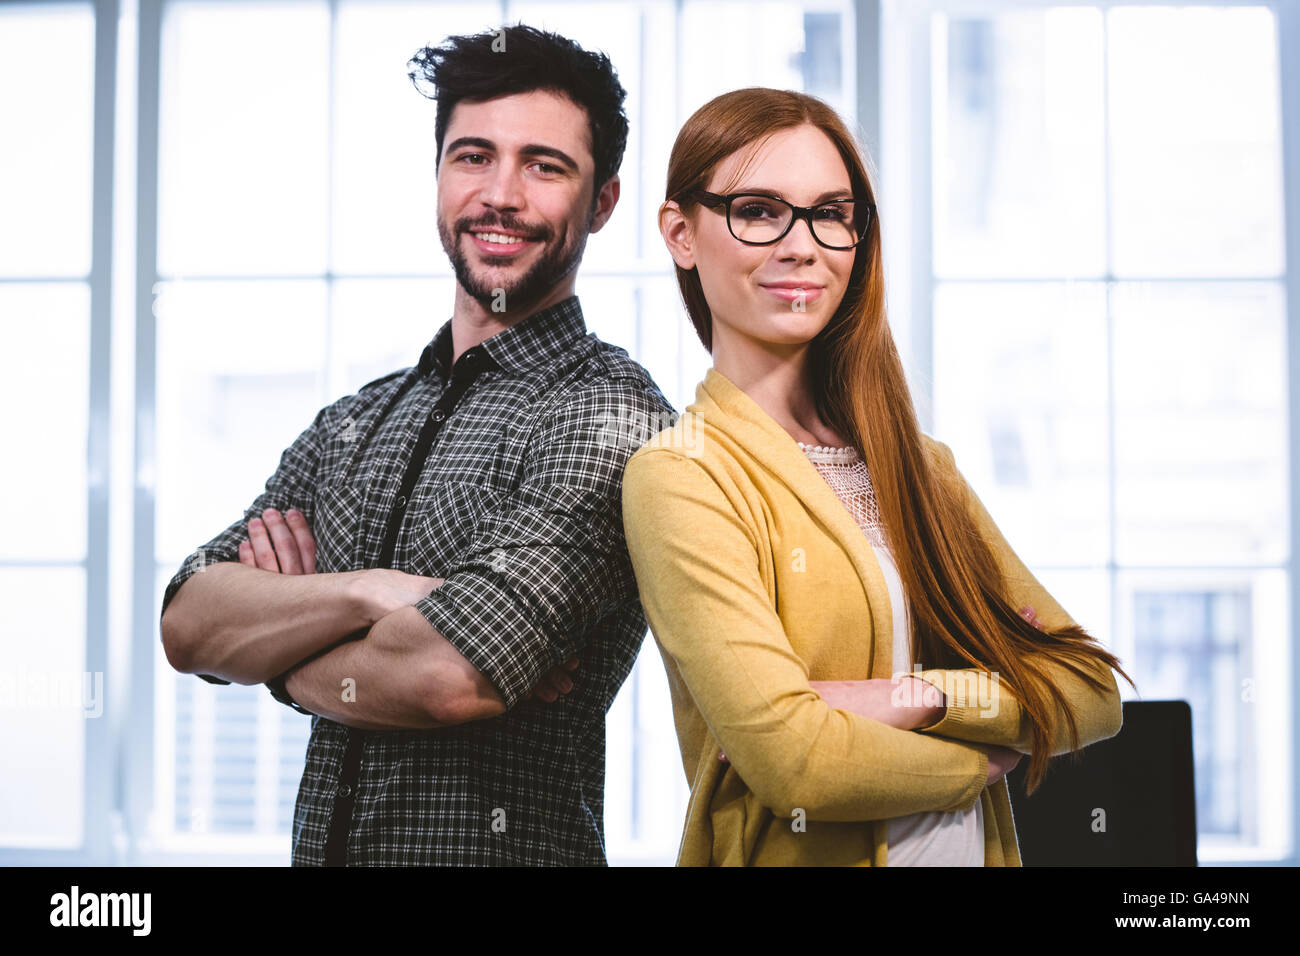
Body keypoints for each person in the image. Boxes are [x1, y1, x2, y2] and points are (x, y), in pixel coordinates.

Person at [159, 24, 676, 866]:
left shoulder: (610, 415)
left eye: (544, 166)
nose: (500, 194)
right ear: (439, 175)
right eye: (473, 156)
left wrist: (280, 654)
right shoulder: (353, 423)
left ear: (603, 202)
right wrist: (372, 594)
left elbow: (445, 678)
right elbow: (188, 625)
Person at [621, 87, 1135, 866]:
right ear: (681, 233)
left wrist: (919, 697)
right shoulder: (683, 477)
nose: (803, 246)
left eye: (832, 213)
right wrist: (988, 760)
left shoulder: (923, 469)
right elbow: (801, 766)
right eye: (759, 210)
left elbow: (1090, 692)